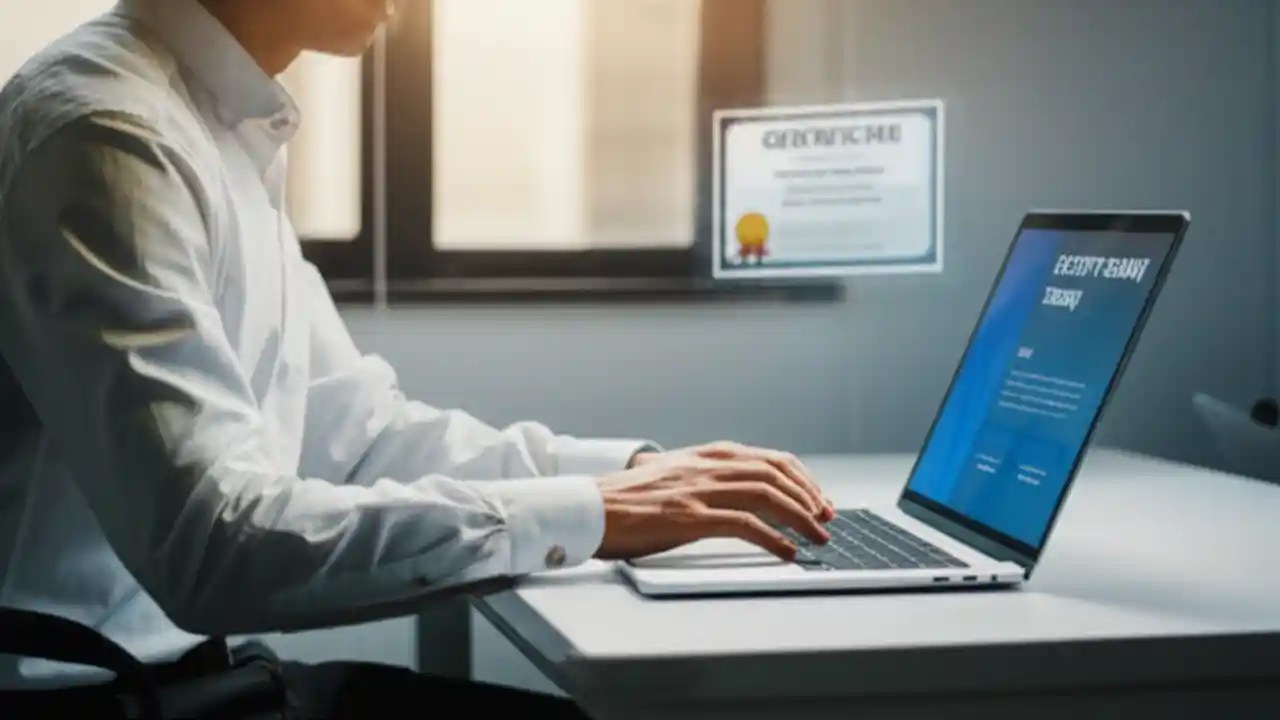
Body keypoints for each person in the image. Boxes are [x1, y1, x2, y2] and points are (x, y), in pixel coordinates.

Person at [0, 0, 836, 717]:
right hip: (98, 698)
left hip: (192, 679)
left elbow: (356, 438)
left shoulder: (207, 124)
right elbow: (215, 550)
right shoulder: (109, 140)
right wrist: (591, 512)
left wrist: (635, 476)